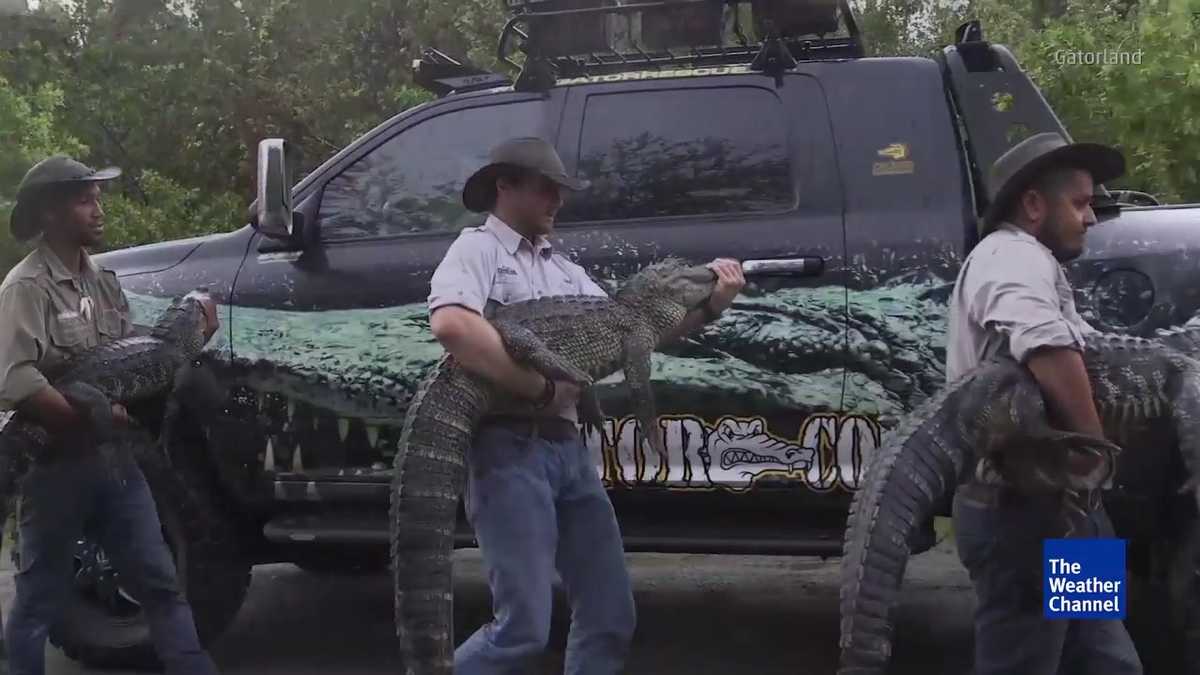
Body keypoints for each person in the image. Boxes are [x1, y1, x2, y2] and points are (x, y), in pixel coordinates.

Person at [428, 137, 745, 674]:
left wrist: (713, 305)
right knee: (521, 631)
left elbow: (638, 332)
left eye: (561, 190)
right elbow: (452, 326)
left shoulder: (564, 270)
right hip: (507, 450)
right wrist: (538, 388)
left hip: (568, 451)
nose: (558, 200)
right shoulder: (477, 250)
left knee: (609, 615)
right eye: (545, 188)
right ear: (504, 186)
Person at [0, 155, 221, 675]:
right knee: (39, 600)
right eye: (85, 200)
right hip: (55, 467)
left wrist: (193, 341)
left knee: (161, 584)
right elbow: (13, 378)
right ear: (50, 213)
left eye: (98, 198)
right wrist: (86, 418)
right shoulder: (25, 287)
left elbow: (130, 356)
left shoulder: (103, 280)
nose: (99, 210)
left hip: (116, 460)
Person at [945, 131, 1143, 675]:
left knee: (1105, 658)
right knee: (1026, 661)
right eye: (1079, 203)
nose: (1091, 217)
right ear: (1033, 205)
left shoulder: (1033, 261)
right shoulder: (1009, 254)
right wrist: (1096, 449)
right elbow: (1047, 345)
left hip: (1068, 505)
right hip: (1022, 511)